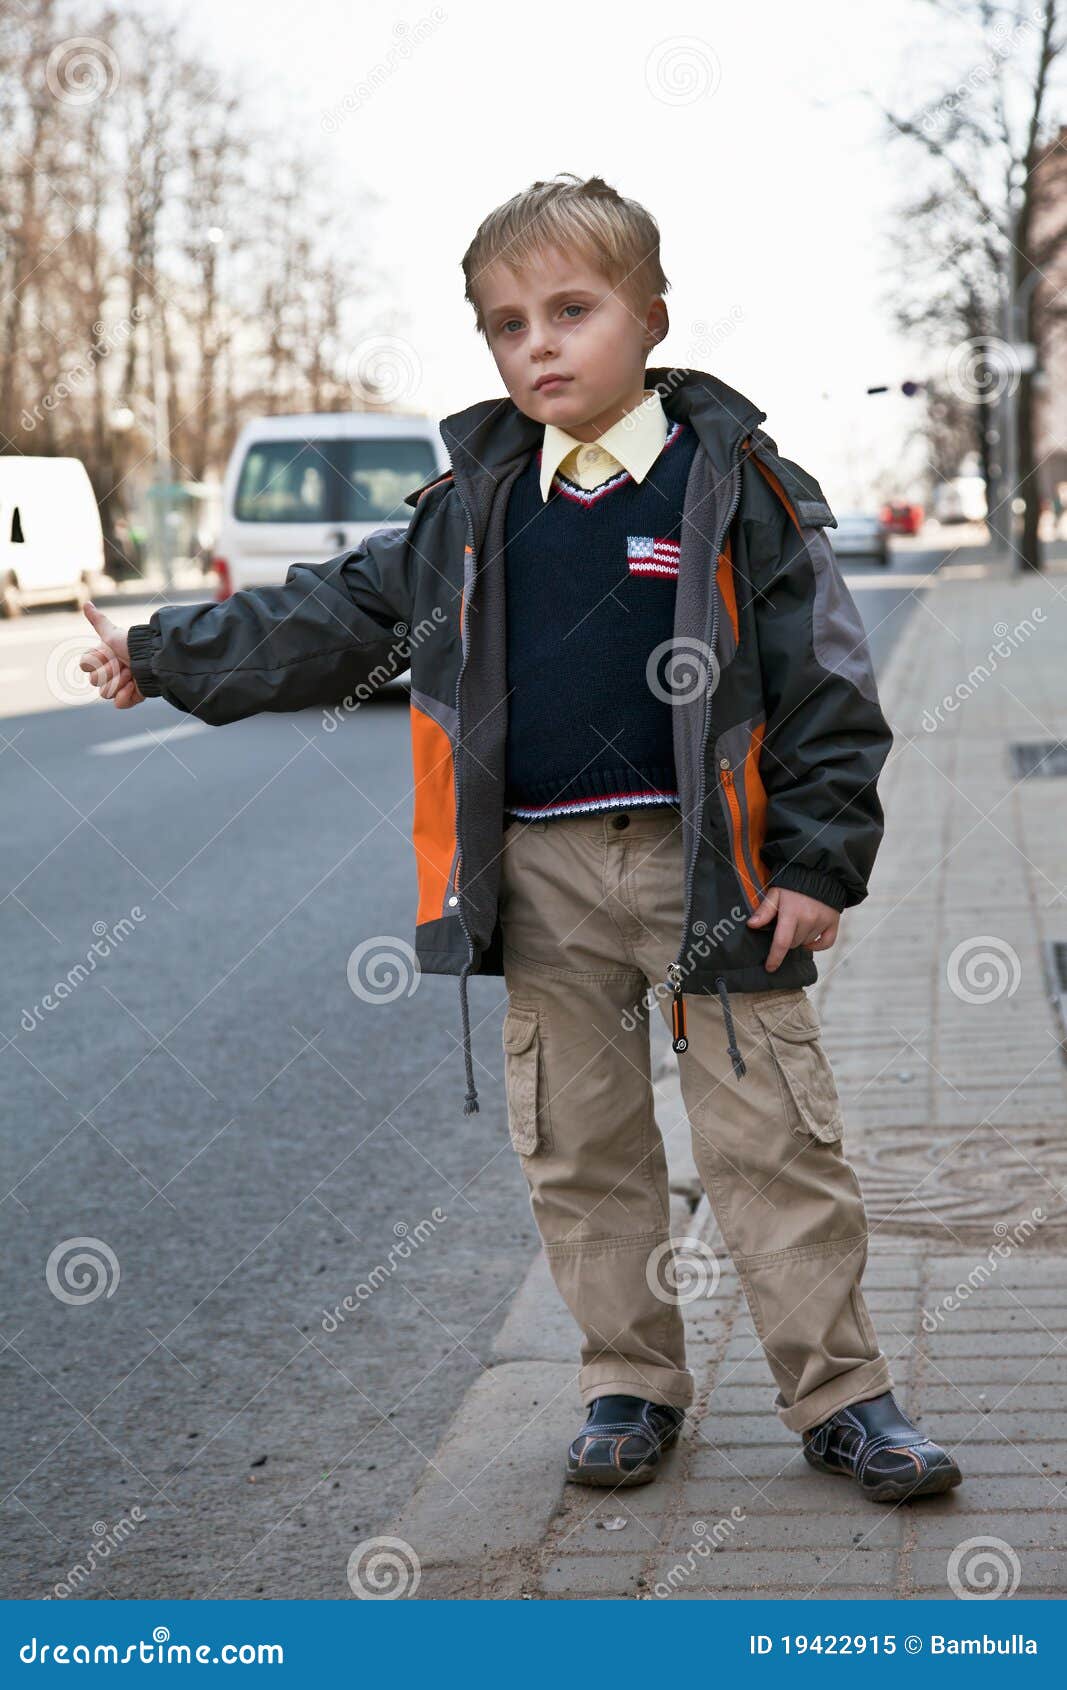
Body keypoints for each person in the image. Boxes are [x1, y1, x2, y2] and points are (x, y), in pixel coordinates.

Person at [79, 172, 962, 1504]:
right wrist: (161, 653)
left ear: (649, 318)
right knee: (582, 1144)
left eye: (570, 309)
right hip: (539, 880)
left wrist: (817, 865)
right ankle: (630, 1379)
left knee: (770, 1136)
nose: (536, 342)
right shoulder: (472, 508)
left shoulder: (735, 486)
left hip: (711, 866)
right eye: (505, 323)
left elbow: (828, 686)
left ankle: (843, 1395)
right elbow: (327, 617)